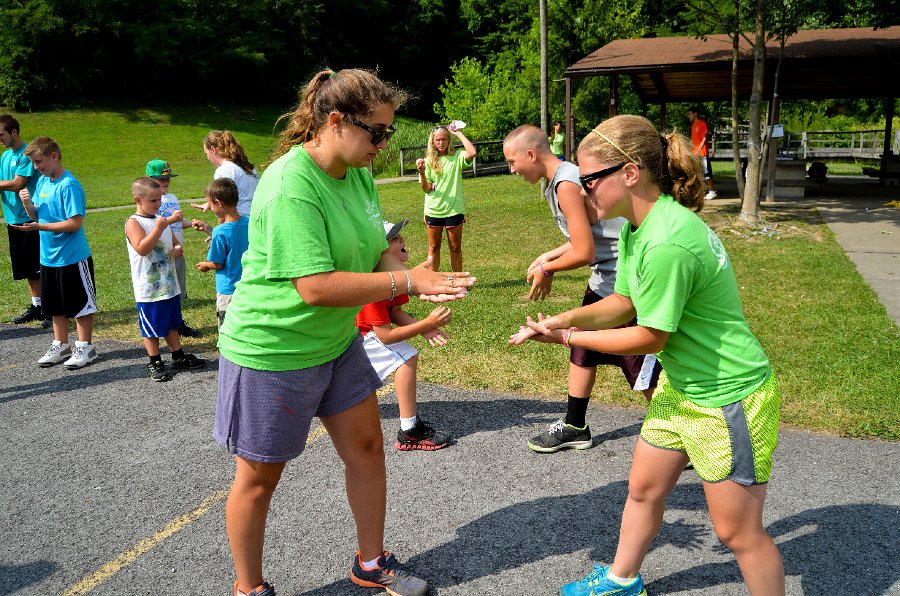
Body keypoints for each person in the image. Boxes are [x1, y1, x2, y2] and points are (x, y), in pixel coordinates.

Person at [213, 68, 475, 596]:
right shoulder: (289, 184)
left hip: (335, 343)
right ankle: (248, 588)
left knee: (367, 447)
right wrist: (406, 277)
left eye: (389, 132)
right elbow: (314, 286)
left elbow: (374, 245)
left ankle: (371, 563)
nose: (384, 143)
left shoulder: (356, 169)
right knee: (260, 479)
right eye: (376, 132)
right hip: (273, 349)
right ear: (335, 122)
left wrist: (412, 285)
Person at [512, 114, 784, 596]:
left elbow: (649, 337)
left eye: (590, 178)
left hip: (727, 398)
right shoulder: (640, 227)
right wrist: (561, 320)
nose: (581, 188)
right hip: (682, 390)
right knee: (642, 490)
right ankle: (622, 581)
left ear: (630, 173)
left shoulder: (667, 240)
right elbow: (624, 303)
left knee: (737, 533)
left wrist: (569, 340)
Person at [503, 124, 660, 453]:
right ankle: (575, 425)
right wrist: (549, 255)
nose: (512, 169)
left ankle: (682, 434)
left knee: (639, 365)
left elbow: (584, 251)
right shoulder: (560, 178)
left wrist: (548, 268)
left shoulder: (566, 184)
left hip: (622, 281)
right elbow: (582, 236)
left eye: (513, 161)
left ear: (531, 154)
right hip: (604, 277)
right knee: (583, 350)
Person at [355, 219, 453, 451]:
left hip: (364, 337)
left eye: (399, 236)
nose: (401, 239)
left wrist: (425, 327)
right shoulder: (374, 287)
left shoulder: (393, 281)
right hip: (359, 338)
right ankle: (409, 432)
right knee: (406, 356)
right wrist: (426, 323)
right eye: (393, 239)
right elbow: (385, 336)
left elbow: (395, 312)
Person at [15, 137, 99, 369]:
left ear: (54, 156)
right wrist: (27, 206)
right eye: (33, 163)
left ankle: (85, 347)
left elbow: (74, 223)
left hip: (72, 256)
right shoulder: (43, 182)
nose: (36, 167)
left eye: (38, 161)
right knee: (54, 304)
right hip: (49, 256)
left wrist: (39, 226)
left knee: (80, 304)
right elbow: (39, 217)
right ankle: (60, 344)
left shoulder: (68, 185)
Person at [125, 177, 206, 382]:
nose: (158, 205)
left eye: (159, 200)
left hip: (169, 284)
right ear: (138, 199)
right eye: (153, 201)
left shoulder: (160, 220)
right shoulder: (134, 222)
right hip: (149, 288)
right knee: (151, 327)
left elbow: (175, 242)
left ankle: (178, 355)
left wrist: (177, 248)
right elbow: (142, 248)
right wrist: (159, 228)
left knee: (172, 322)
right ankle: (155, 361)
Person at [0, 115, 48, 327]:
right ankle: (36, 307)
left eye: (1, 134)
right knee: (27, 269)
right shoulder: (4, 156)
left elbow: (18, 184)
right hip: (13, 220)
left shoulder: (26, 154)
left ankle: (49, 308)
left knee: (40, 267)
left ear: (14, 132)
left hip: (30, 218)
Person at [146, 159, 201, 338]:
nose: (166, 182)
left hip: (178, 249)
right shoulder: (152, 201)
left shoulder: (172, 198)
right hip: (164, 253)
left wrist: (189, 223)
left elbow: (176, 224)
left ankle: (178, 323)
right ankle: (171, 325)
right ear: (150, 179)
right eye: (161, 179)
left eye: (168, 178)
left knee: (178, 290)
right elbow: (156, 224)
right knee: (167, 290)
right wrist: (173, 219)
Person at [415, 122, 476, 272]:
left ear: (449, 141)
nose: (441, 143)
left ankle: (458, 280)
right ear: (433, 142)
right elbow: (426, 188)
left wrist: (458, 133)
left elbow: (472, 152)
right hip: (433, 210)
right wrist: (422, 173)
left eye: (444, 139)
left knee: (455, 248)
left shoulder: (457, 157)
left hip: (454, 210)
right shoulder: (428, 161)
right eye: (438, 140)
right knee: (434, 247)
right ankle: (433, 280)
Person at [191, 178, 249, 327]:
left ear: (219, 203)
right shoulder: (248, 222)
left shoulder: (220, 231)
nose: (209, 207)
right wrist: (206, 228)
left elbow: (217, 263)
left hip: (228, 289)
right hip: (247, 286)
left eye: (210, 204)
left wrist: (205, 265)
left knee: (226, 328)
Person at [194, 130, 258, 218]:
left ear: (213, 150)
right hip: (255, 221)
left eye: (206, 154)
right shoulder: (247, 166)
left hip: (238, 222)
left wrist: (219, 230)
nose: (207, 158)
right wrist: (209, 203)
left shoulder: (224, 170)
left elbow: (223, 207)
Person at [687, 106, 717, 200]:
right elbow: (694, 140)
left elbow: (705, 137)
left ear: (695, 114)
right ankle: (700, 191)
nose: (689, 116)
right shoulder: (693, 126)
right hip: (695, 154)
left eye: (690, 114)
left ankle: (712, 191)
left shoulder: (702, 123)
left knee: (707, 172)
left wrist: (699, 148)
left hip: (702, 153)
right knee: (697, 173)